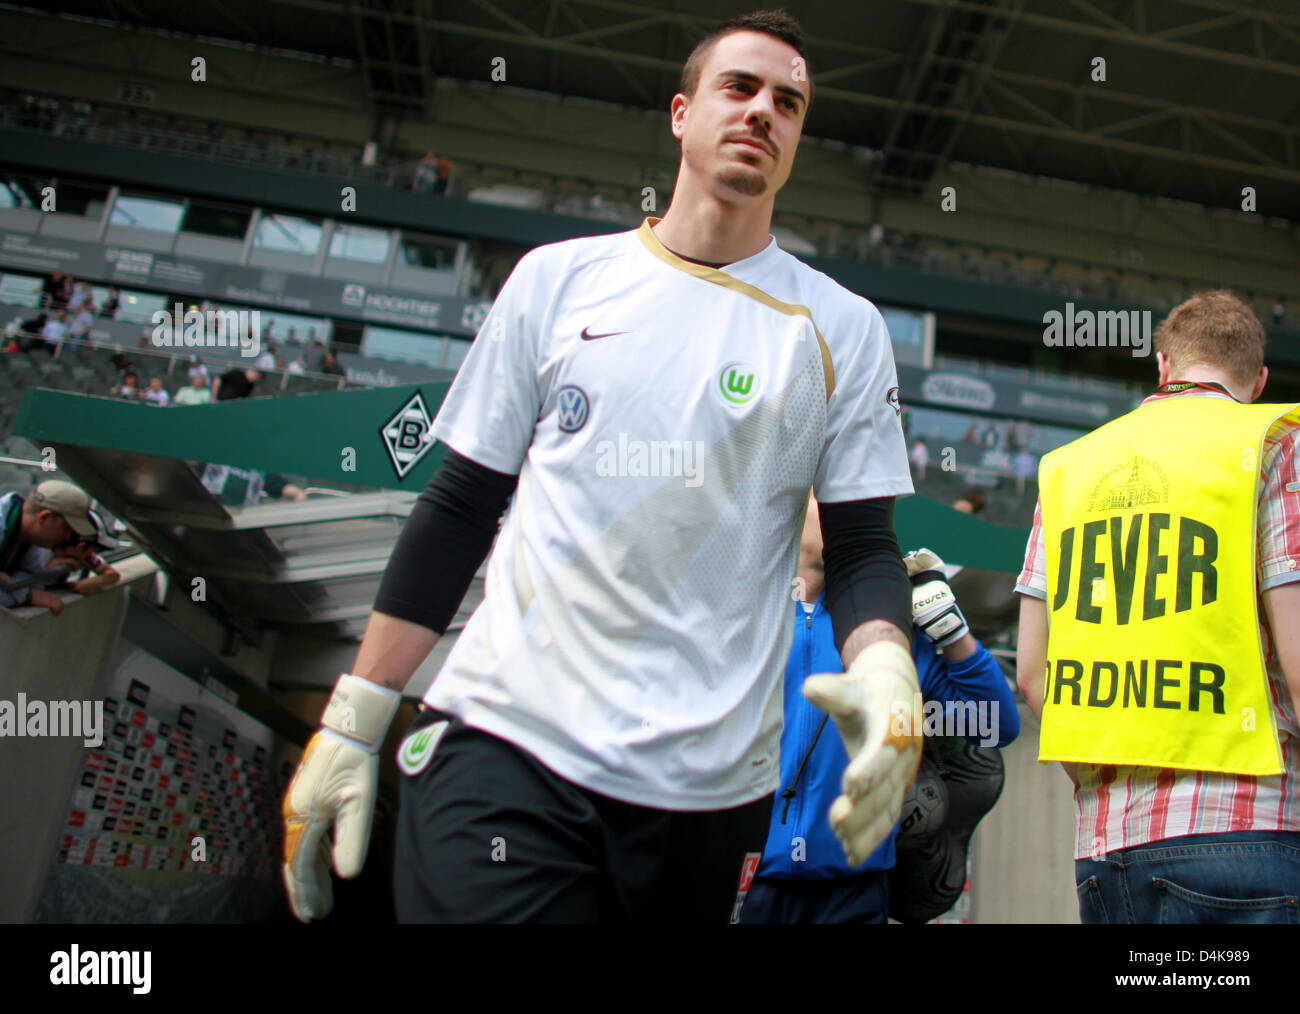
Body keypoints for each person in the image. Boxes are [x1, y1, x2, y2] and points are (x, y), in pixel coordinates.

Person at [281, 9, 920, 925]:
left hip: (704, 798)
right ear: (680, 112)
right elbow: (461, 505)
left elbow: (861, 550)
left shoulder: (843, 329)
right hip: (508, 744)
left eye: (789, 102)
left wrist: (891, 677)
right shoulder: (557, 280)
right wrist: (354, 718)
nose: (762, 113)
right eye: (738, 88)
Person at [1016, 289, 1300, 924]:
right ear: (1258, 382)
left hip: (1108, 853)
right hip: (1251, 834)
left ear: (1164, 366)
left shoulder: (1069, 468)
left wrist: (1108, 777)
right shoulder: (1275, 443)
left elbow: (1033, 676)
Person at [740, 499, 1017, 923]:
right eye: (826, 496)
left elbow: (995, 725)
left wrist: (950, 628)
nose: (843, 508)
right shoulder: (743, 613)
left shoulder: (889, 631)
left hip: (854, 888)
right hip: (746, 883)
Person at [0, 480, 95, 614]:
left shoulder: (30, 536)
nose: (67, 536)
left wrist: (14, 587)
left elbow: (31, 580)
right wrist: (27, 595)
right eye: (66, 528)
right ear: (44, 517)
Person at [46, 509, 121, 597]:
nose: (93, 552)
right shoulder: (42, 551)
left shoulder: (85, 557)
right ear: (81, 545)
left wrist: (92, 582)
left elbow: (113, 575)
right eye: (95, 548)